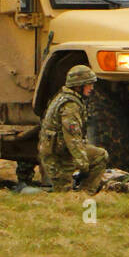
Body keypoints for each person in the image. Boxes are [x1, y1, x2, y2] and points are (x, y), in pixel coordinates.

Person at [38, 64, 108, 193]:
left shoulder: (66, 99)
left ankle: (84, 194)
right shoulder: (70, 105)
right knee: (64, 194)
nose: (91, 88)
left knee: (100, 155)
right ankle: (83, 196)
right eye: (89, 84)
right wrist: (83, 164)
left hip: (62, 153)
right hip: (58, 158)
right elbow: (72, 138)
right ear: (78, 86)